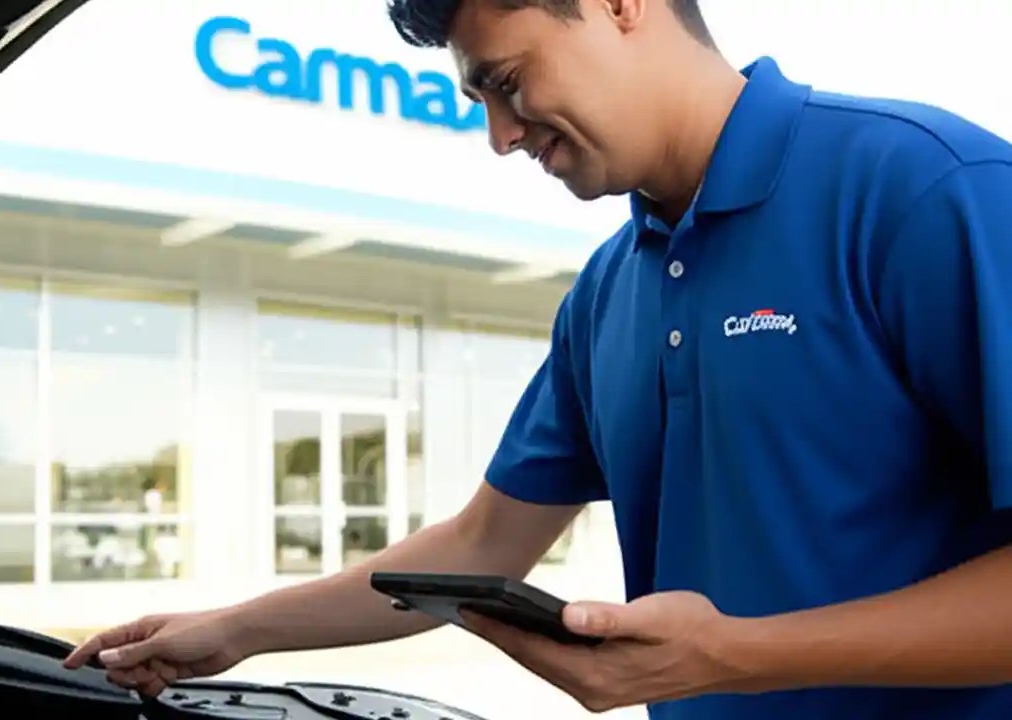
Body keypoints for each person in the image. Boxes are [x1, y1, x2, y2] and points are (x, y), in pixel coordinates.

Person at [64, 1, 1012, 717]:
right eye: (480, 100)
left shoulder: (931, 191)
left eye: (509, 82)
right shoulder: (607, 293)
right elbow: (482, 547)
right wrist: (232, 631)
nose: (500, 136)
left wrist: (734, 655)